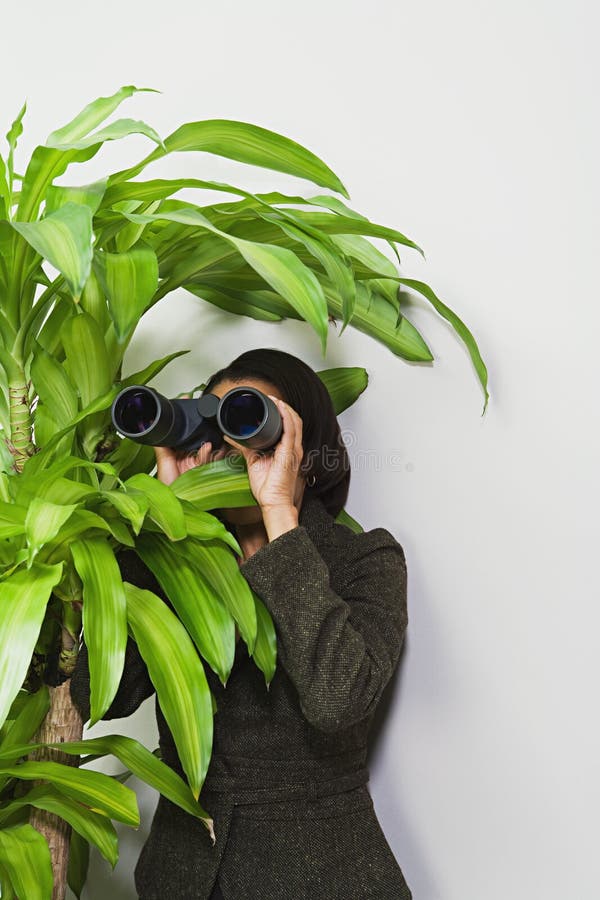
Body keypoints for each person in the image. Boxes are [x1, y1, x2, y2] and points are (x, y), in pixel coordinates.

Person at [70, 347, 412, 899]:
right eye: (214, 424)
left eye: (249, 424)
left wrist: (279, 512)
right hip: (181, 873)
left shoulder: (363, 560)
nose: (231, 450)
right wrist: (169, 515)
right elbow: (98, 696)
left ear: (303, 447)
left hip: (318, 875)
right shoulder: (183, 560)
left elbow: (338, 700)